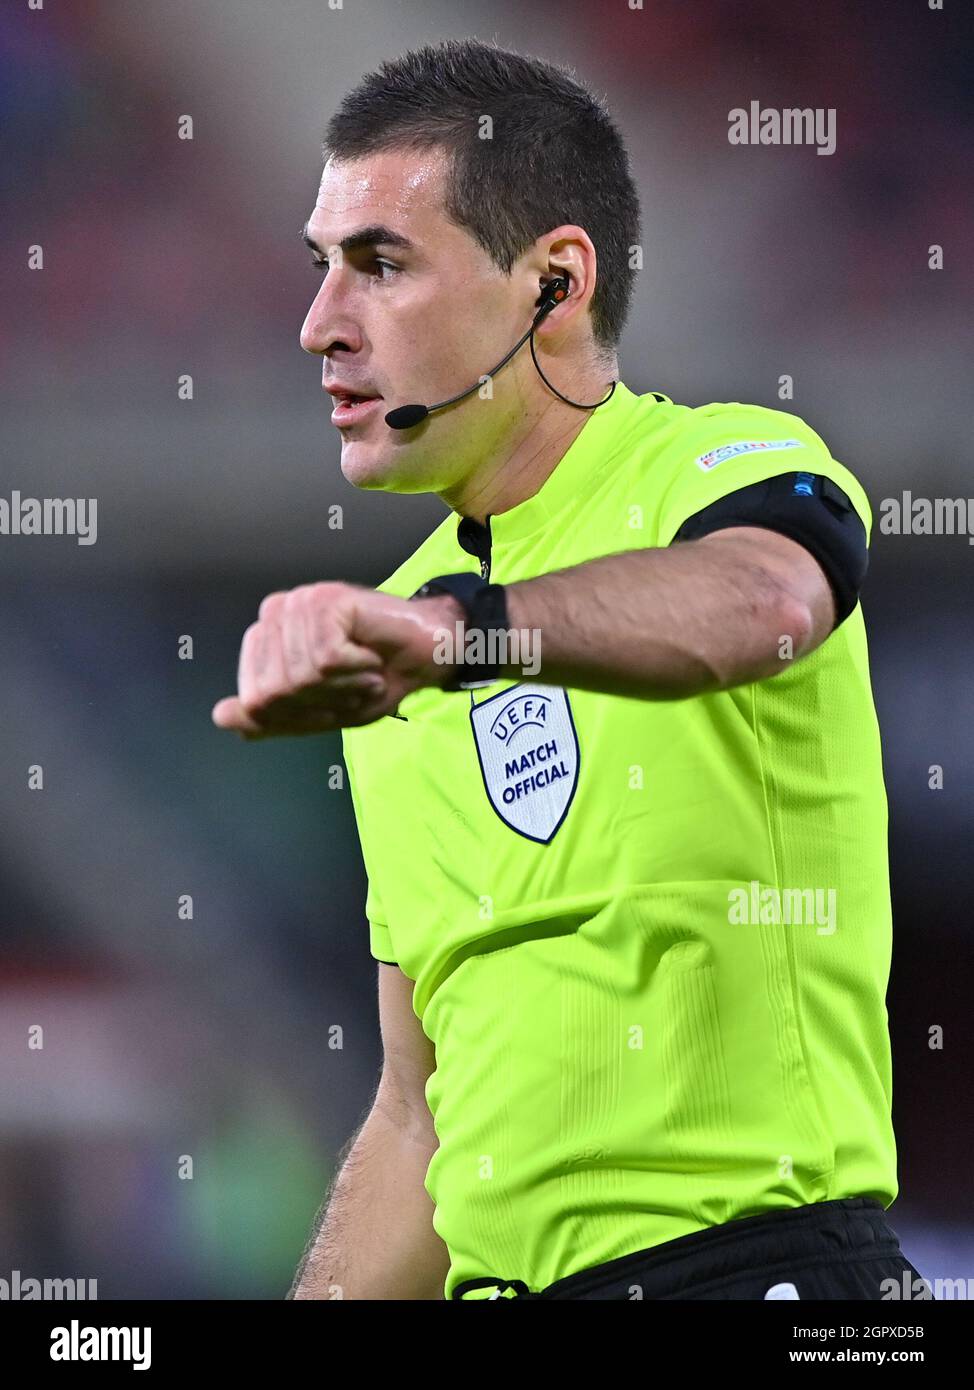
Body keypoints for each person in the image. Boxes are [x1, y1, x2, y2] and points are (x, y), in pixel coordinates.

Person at [213, 38, 924, 1301]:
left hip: (754, 1273)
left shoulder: (718, 468)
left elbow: (760, 598)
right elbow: (414, 1116)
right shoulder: (398, 634)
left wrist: (457, 638)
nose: (319, 326)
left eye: (377, 266)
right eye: (320, 271)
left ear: (553, 282)